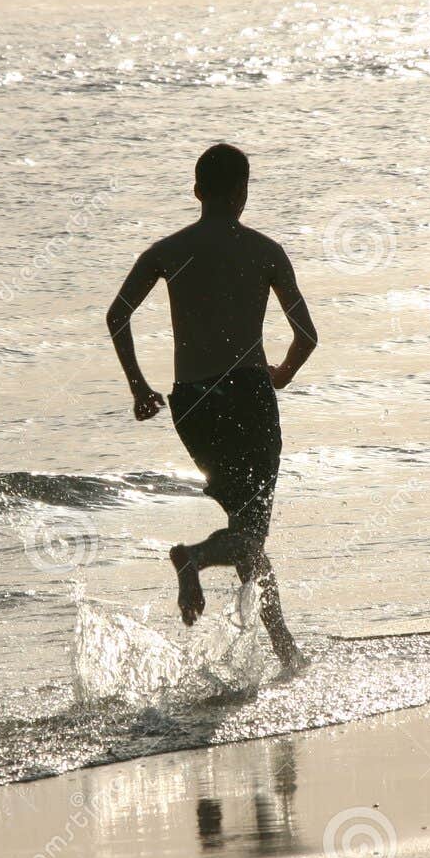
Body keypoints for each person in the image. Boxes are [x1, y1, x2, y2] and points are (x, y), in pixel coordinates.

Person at [106, 143, 318, 674]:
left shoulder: (167, 251)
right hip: (248, 396)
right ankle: (194, 558)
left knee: (245, 531)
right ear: (243, 193)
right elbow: (307, 336)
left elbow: (117, 315)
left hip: (193, 404)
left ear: (197, 191)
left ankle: (285, 649)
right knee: (250, 532)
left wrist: (139, 387)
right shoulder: (266, 251)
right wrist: (282, 375)